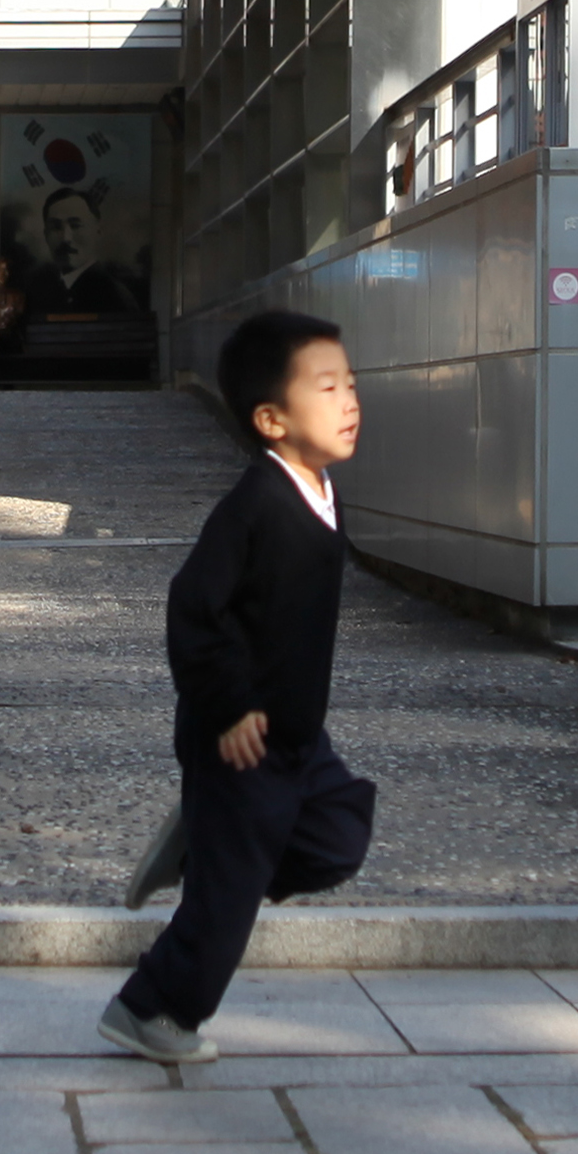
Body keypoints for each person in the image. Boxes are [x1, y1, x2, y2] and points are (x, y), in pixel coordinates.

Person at [101, 309, 379, 1070]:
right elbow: (194, 606)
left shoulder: (323, 493)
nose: (350, 400)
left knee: (339, 838)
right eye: (327, 388)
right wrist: (225, 706)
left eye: (351, 383)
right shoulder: (255, 505)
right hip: (239, 740)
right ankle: (147, 1008)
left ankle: (207, 850)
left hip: (297, 737)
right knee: (226, 912)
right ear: (271, 418)